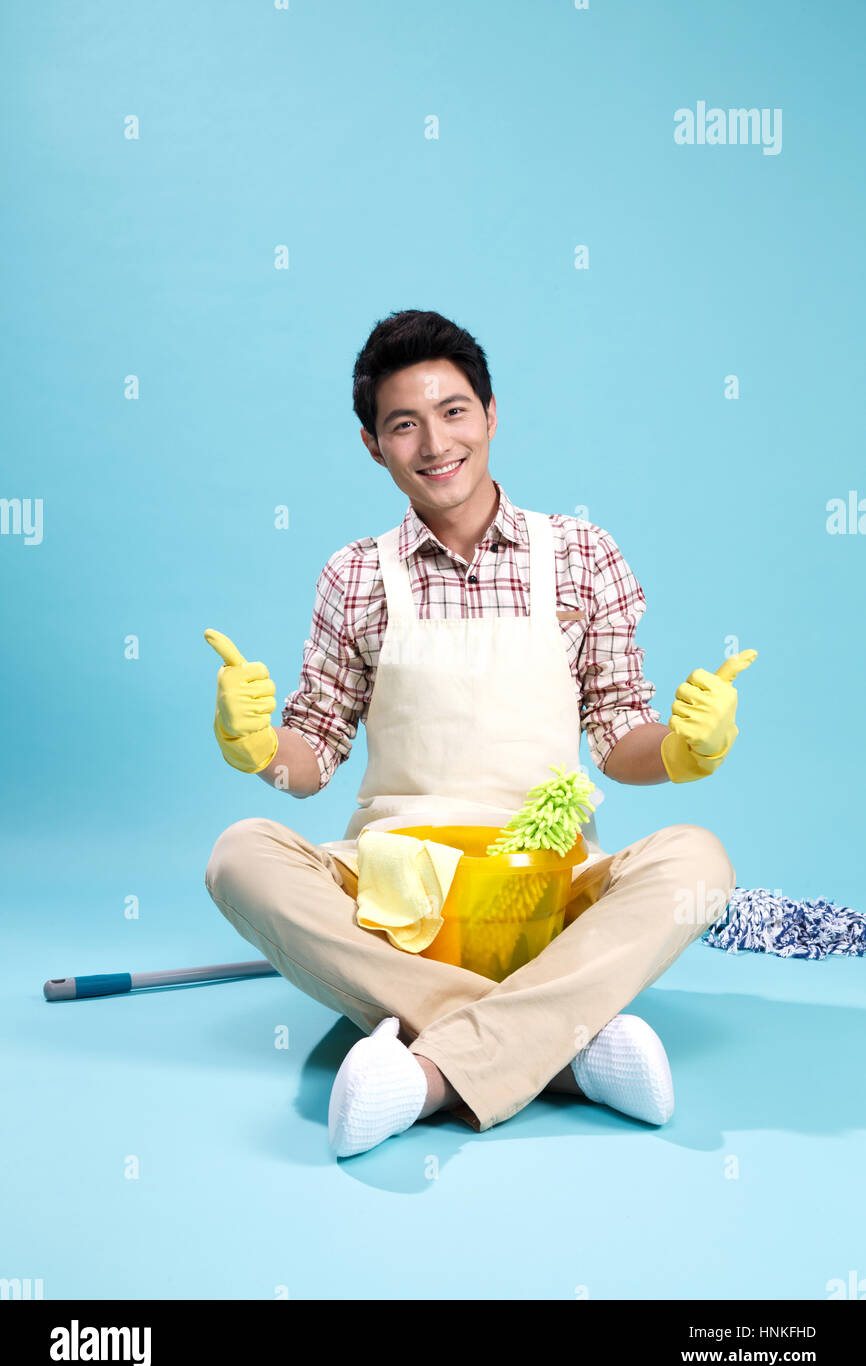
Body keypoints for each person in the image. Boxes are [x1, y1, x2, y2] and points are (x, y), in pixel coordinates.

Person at [204, 309, 753, 1159]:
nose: (435, 443)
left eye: (454, 411)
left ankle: (424, 1073)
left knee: (699, 861)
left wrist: (684, 753)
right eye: (403, 424)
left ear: (492, 415)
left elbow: (618, 738)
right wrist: (258, 749)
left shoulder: (580, 554)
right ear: (372, 445)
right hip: (397, 897)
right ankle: (563, 1052)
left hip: (551, 892)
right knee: (240, 855)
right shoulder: (354, 575)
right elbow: (310, 756)